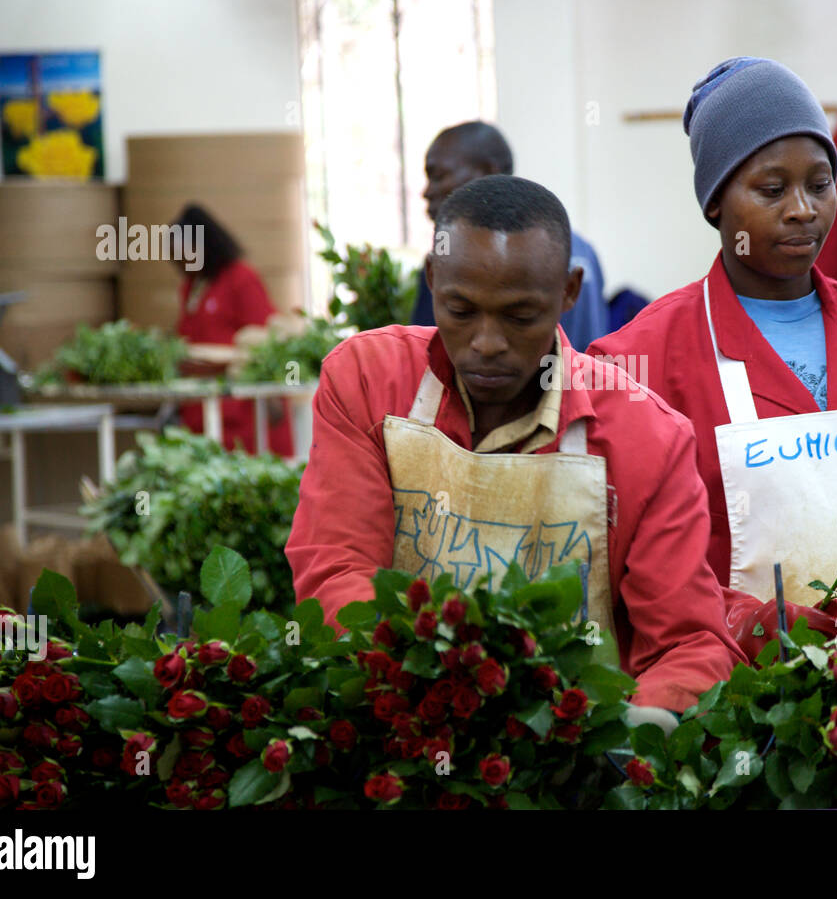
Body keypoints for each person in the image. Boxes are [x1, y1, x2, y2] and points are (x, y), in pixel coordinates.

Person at [286, 174, 744, 714]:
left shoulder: (648, 437)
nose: (487, 343)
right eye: (460, 311)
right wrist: (421, 693)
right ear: (432, 278)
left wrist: (621, 734)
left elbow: (687, 643)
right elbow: (337, 571)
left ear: (570, 292)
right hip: (402, 719)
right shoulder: (366, 382)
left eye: (520, 317)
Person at [589, 58, 837, 659]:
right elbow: (640, 577)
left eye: (820, 183)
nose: (802, 208)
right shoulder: (638, 363)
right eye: (772, 190)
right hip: (725, 698)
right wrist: (789, 635)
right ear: (715, 202)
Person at [411, 121, 609, 351]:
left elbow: (427, 355)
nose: (426, 191)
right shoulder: (582, 248)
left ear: (488, 171)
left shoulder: (454, 257)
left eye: (437, 175)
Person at [172, 203, 293, 456]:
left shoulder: (240, 278)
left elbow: (268, 338)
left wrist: (273, 393)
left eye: (182, 253)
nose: (177, 262)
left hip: (242, 412)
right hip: (202, 409)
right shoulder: (190, 288)